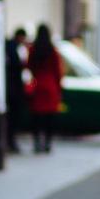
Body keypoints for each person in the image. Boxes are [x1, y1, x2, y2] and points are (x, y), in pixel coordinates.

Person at [25, 24, 63, 152]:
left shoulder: (32, 50)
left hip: (37, 85)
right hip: (50, 86)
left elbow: (29, 66)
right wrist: (59, 89)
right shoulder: (53, 51)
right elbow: (58, 72)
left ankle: (37, 141)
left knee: (36, 117)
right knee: (49, 117)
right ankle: (47, 142)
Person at [5, 27, 28, 153]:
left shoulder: (13, 47)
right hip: (13, 89)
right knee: (13, 117)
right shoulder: (12, 48)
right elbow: (16, 65)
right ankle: (10, 141)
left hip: (12, 88)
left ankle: (10, 141)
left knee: (12, 117)